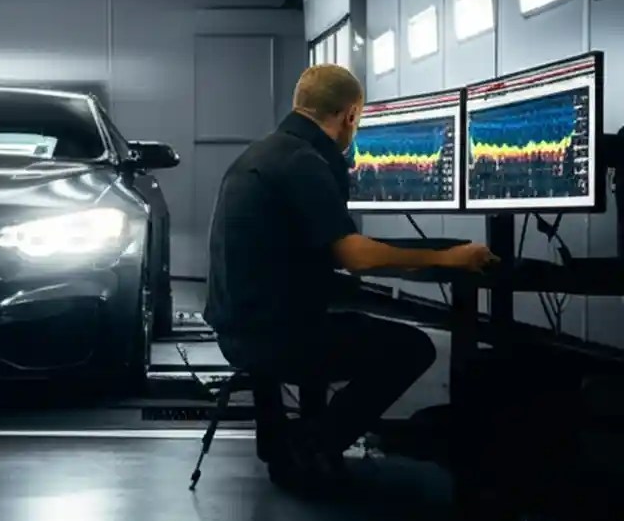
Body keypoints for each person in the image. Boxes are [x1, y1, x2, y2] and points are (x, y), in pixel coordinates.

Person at [203, 64, 497, 489]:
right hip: (275, 337)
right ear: (351, 115)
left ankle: (298, 445)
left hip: (239, 331)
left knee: (342, 323)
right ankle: (313, 445)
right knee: (412, 348)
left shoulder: (260, 154)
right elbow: (354, 256)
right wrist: (449, 258)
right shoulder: (304, 162)